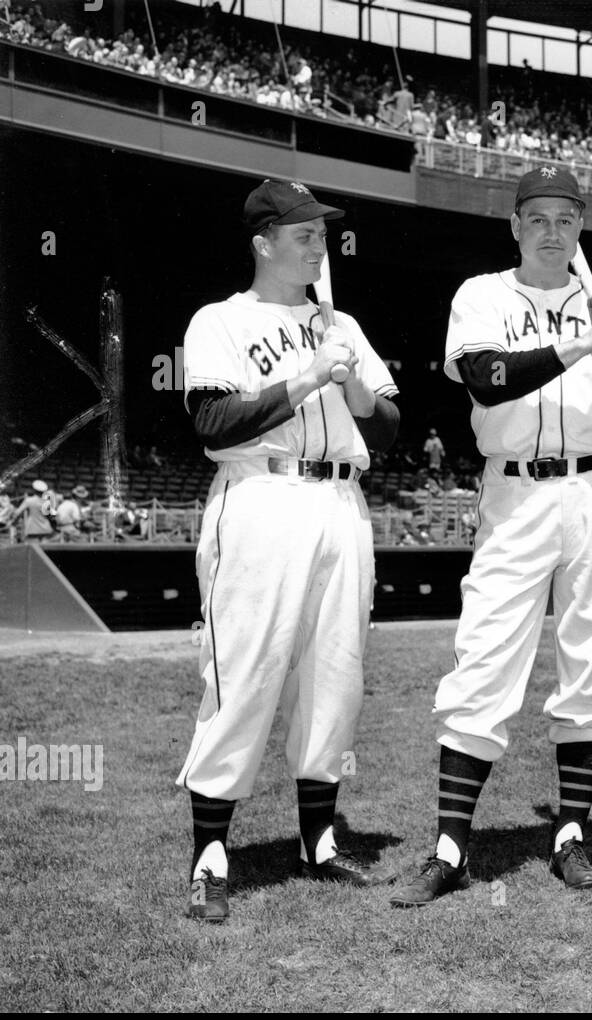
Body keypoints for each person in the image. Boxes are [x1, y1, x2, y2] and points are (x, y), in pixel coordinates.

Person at [390, 166, 592, 908]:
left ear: (581, 224)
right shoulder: (482, 293)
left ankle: (571, 834)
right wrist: (580, 346)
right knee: (484, 657)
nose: (553, 230)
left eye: (566, 216)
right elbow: (486, 379)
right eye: (538, 217)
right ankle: (451, 848)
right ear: (515, 225)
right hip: (514, 489)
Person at [176, 178, 400, 922]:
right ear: (262, 242)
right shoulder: (220, 320)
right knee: (244, 669)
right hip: (261, 494)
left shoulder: (345, 323)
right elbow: (212, 421)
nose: (317, 243)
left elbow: (389, 426)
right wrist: (307, 376)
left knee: (335, 672)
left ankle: (319, 840)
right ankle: (211, 853)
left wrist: (362, 395)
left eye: (321, 233)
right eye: (301, 232)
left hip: (340, 499)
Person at [14, 478, 56, 543]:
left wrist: (14, 522)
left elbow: (17, 513)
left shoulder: (29, 500)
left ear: (34, 490)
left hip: (33, 529)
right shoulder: (46, 502)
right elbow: (51, 516)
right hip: (46, 530)